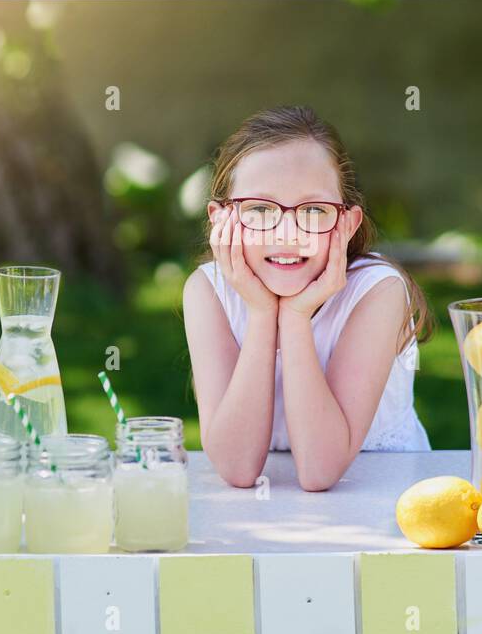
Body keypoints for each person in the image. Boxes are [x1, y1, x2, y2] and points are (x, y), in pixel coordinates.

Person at [183, 105, 434, 491]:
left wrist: (296, 317)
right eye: (261, 208)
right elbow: (237, 468)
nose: (287, 233)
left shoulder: (377, 292)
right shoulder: (207, 293)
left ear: (348, 223)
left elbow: (320, 472)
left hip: (388, 501)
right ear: (220, 220)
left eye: (314, 210)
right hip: (265, 519)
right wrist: (263, 313)